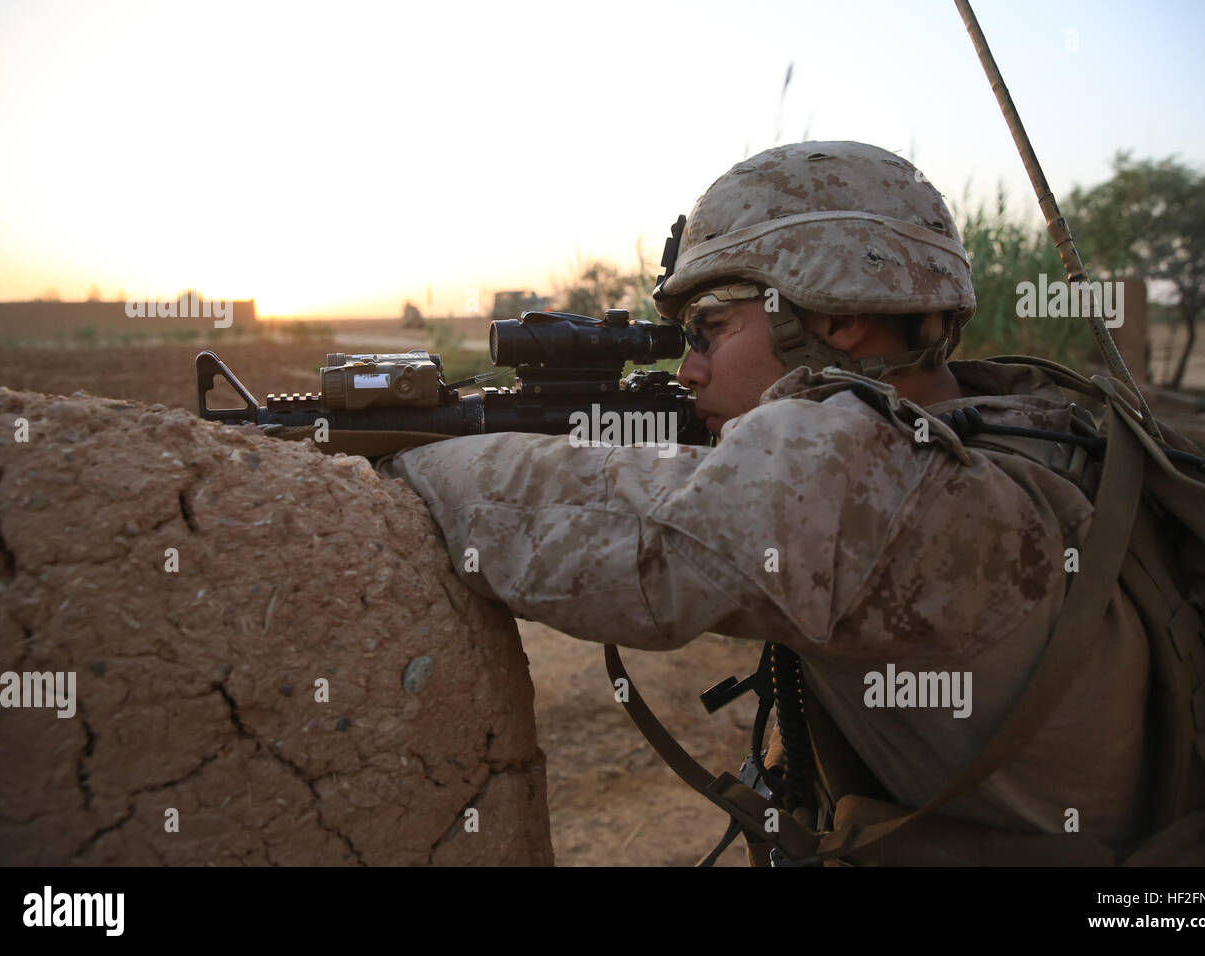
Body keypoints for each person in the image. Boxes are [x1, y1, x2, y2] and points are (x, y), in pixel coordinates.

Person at [375, 141, 1157, 865]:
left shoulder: (908, 490)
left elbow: (648, 545)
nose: (685, 371)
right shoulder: (1017, 431)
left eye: (710, 330)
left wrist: (411, 453)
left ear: (837, 317)